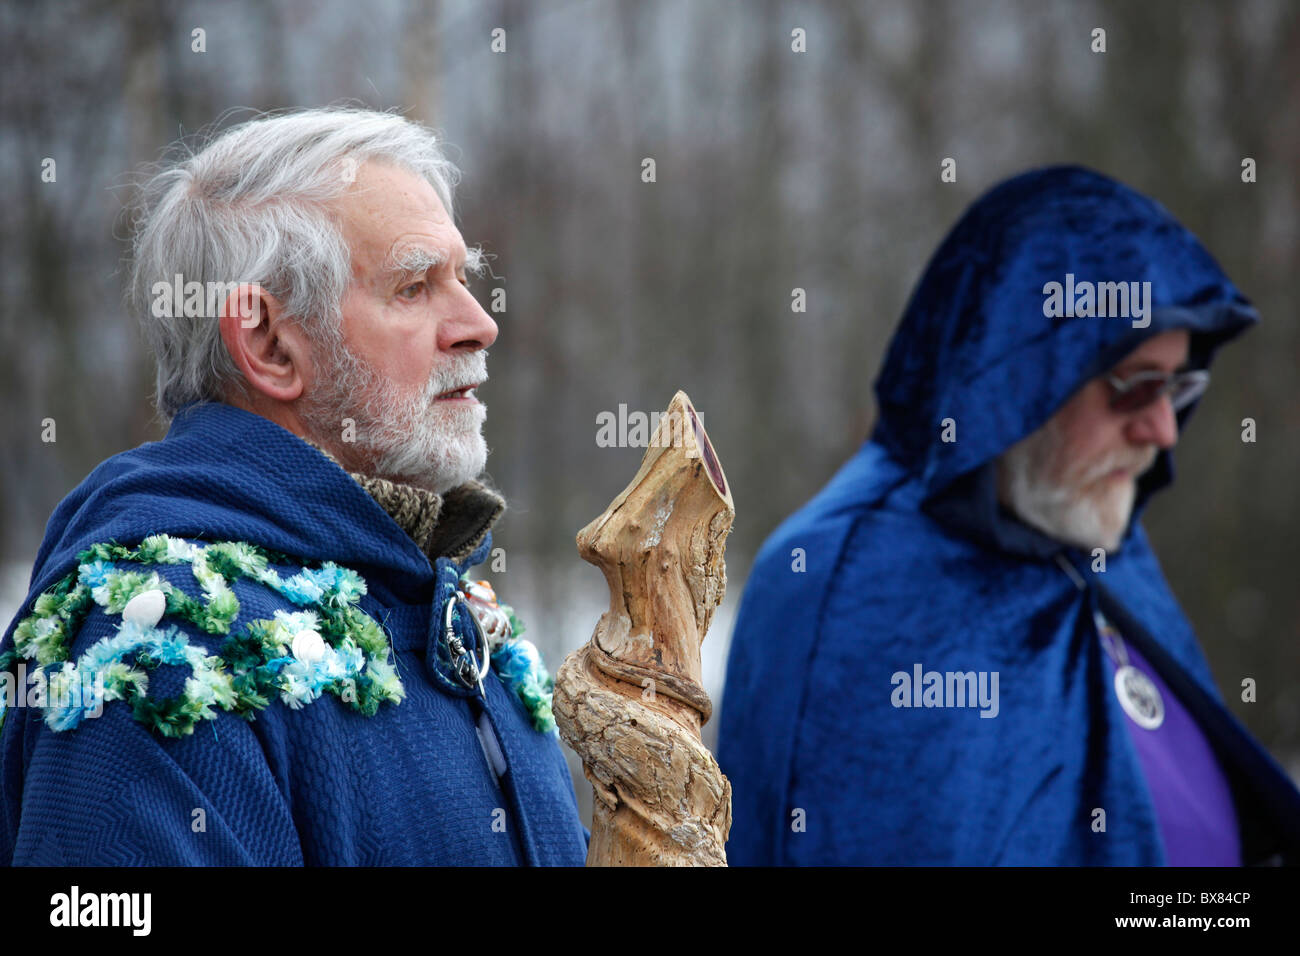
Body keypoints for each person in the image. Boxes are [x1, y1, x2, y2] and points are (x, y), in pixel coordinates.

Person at [0, 108, 587, 865]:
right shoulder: (159, 652)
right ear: (271, 344)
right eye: (414, 287)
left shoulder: (452, 616)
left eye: (464, 280)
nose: (479, 324)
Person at [718, 166, 1300, 866]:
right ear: (1023, 376)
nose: (1163, 429)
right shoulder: (846, 587)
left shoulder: (1091, 529)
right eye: (1137, 386)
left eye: (1179, 387)